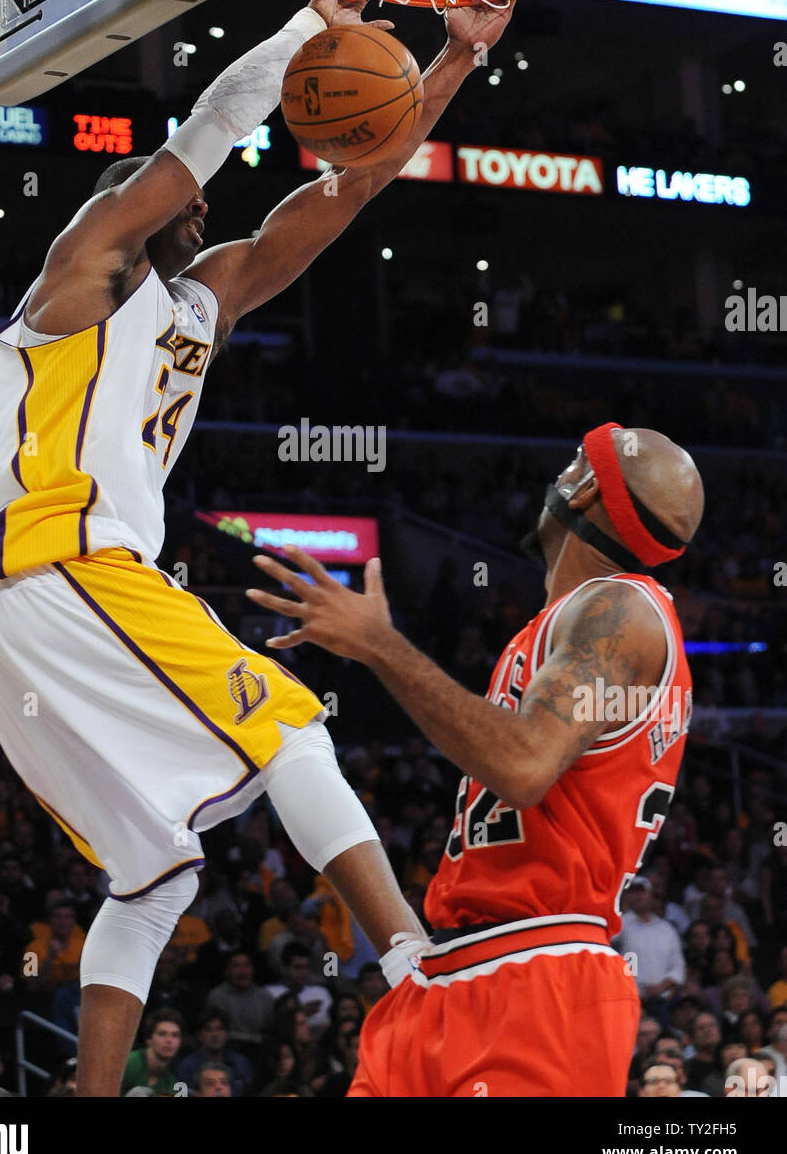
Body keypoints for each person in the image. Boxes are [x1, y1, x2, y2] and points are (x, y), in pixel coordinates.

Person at [0, 0, 518, 1098]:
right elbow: (200, 137)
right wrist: (314, 25)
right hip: (63, 571)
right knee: (291, 727)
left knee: (152, 881)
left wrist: (452, 61)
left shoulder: (206, 299)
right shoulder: (77, 281)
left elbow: (348, 187)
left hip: (36, 617)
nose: (201, 208)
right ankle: (410, 962)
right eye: (180, 201)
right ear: (137, 207)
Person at [250, 424, 705, 1097]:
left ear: (581, 490)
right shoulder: (562, 627)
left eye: (570, 462)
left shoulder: (622, 609)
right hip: (457, 967)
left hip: (545, 976)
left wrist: (381, 646)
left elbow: (523, 767)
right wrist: (409, 951)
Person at [614, 876, 685, 1014]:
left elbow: (678, 967)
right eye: (633, 892)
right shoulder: (619, 925)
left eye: (642, 891)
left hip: (662, 1000)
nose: (638, 896)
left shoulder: (666, 929)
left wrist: (661, 987)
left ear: (651, 895)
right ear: (627, 896)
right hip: (628, 998)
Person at [206, 951, 275, 1053]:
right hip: (227, 1051)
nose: (242, 971)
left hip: (260, 1051)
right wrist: (254, 1039)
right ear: (227, 971)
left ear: (252, 970)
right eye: (236, 966)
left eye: (246, 965)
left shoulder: (265, 996)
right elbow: (217, 1032)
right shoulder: (217, 997)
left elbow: (270, 1030)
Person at [176, 1010, 251, 1098]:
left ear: (227, 1034)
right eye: (208, 1029)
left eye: (220, 1029)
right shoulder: (187, 1066)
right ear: (199, 1035)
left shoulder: (241, 1063)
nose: (215, 1034)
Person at [120, 1008, 183, 1096]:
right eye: (162, 1034)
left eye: (175, 1035)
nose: (169, 1040)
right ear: (149, 1039)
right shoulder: (129, 1063)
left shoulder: (171, 1081)